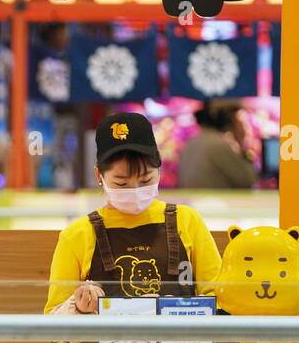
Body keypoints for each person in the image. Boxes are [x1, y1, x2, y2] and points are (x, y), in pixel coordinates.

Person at [44, 110, 221, 326]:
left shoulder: (187, 220)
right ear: (98, 175)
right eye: (121, 183)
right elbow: (53, 324)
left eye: (146, 180)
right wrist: (80, 308)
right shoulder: (76, 235)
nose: (135, 190)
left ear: (160, 169)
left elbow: (218, 298)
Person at [176, 103, 258, 189]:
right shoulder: (218, 145)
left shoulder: (191, 143)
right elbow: (248, 180)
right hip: (216, 201)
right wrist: (241, 144)